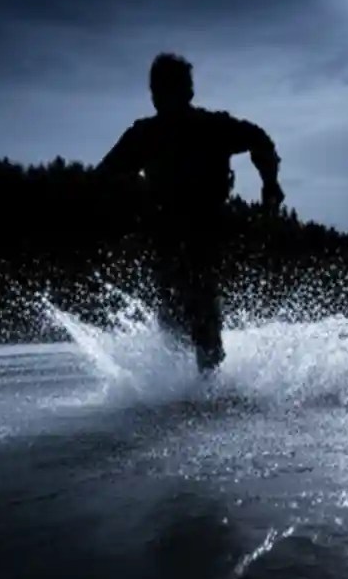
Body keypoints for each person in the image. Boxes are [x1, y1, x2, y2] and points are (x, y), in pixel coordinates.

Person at [98, 53, 284, 372]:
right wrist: (127, 207)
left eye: (168, 89)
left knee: (200, 310)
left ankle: (205, 380)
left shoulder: (210, 127)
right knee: (177, 316)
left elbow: (260, 140)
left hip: (203, 235)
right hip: (167, 237)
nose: (163, 98)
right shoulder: (146, 135)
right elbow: (103, 177)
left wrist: (270, 184)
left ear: (186, 92)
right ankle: (187, 384)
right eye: (160, 90)